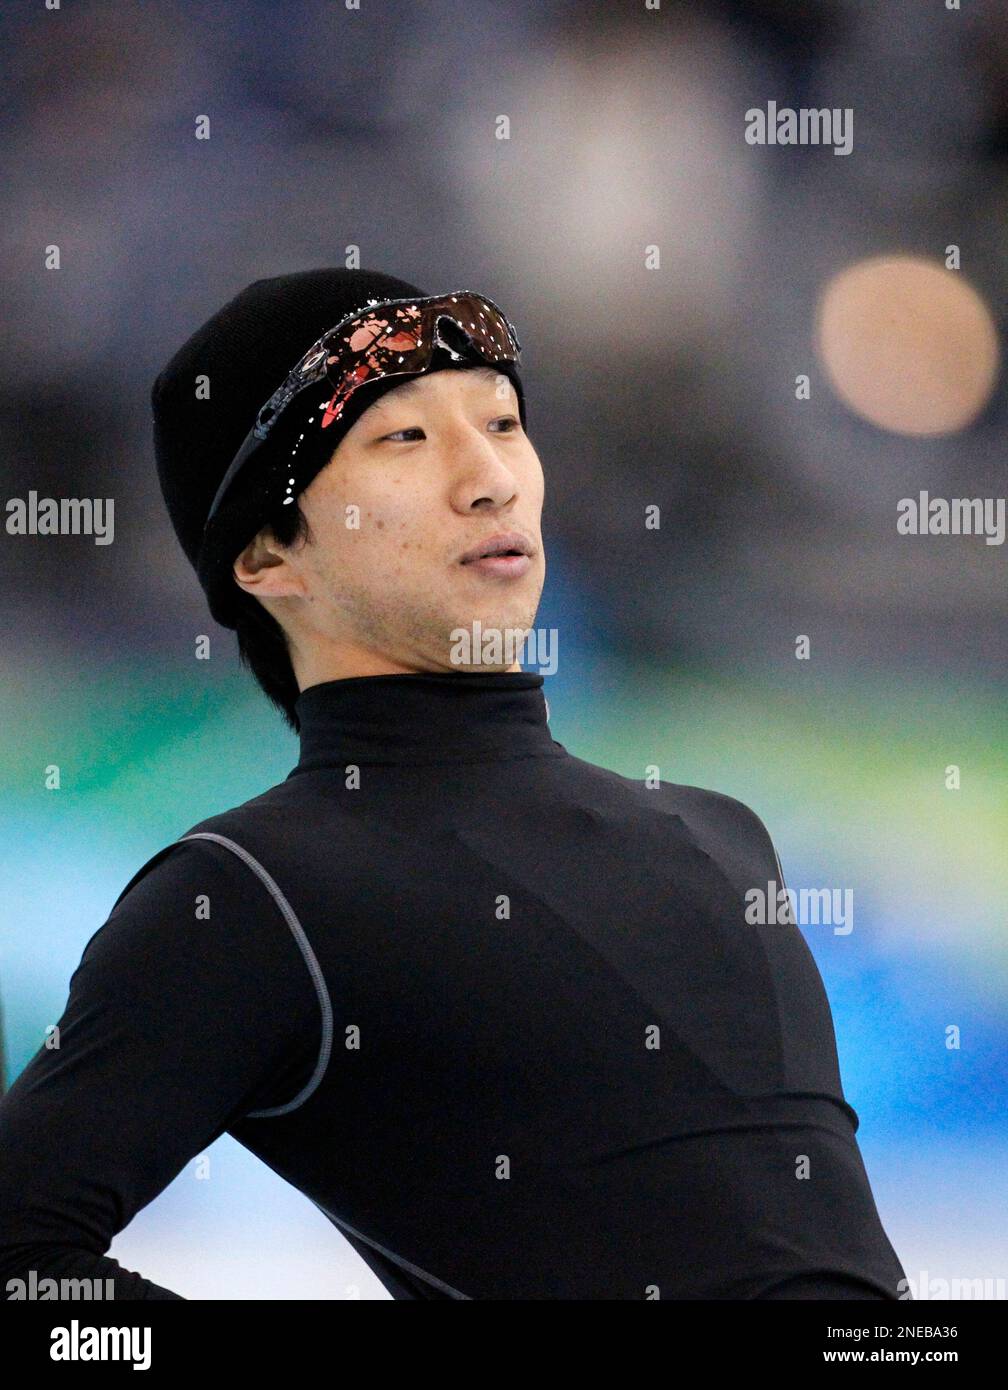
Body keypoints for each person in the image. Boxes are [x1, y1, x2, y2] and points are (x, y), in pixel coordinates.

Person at [0, 268, 909, 1300]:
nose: (492, 479)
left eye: (505, 422)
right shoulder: (248, 896)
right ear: (264, 554)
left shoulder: (725, 837)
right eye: (406, 439)